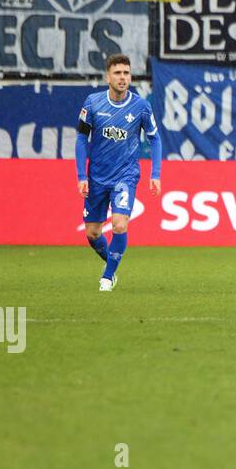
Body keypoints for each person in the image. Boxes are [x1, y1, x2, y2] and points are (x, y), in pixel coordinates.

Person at [76, 54, 162, 292]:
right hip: (96, 177)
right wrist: (81, 176)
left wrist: (155, 174)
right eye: (118, 73)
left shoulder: (140, 106)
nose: (123, 78)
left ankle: (107, 277)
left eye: (126, 73)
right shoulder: (93, 104)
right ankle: (113, 261)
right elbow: (82, 139)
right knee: (93, 233)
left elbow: (155, 139)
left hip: (126, 175)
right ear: (108, 77)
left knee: (119, 225)